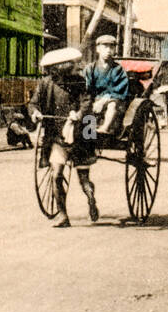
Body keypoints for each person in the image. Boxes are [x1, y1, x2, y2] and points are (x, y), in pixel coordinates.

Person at [30, 48, 97, 227]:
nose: (55, 72)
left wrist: (79, 114)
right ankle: (63, 215)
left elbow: (87, 102)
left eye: (58, 68)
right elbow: (34, 102)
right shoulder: (45, 84)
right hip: (57, 137)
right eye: (53, 69)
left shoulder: (80, 82)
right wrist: (35, 112)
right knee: (56, 175)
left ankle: (90, 197)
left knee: (83, 179)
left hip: (80, 136)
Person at [84, 34, 130, 135]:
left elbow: (119, 91)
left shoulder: (118, 70)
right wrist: (93, 101)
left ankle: (105, 127)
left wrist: (104, 100)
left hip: (114, 101)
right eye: (105, 47)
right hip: (95, 100)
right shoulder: (90, 68)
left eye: (111, 47)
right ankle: (88, 132)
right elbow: (86, 89)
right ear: (98, 49)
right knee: (86, 104)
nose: (108, 50)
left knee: (112, 104)